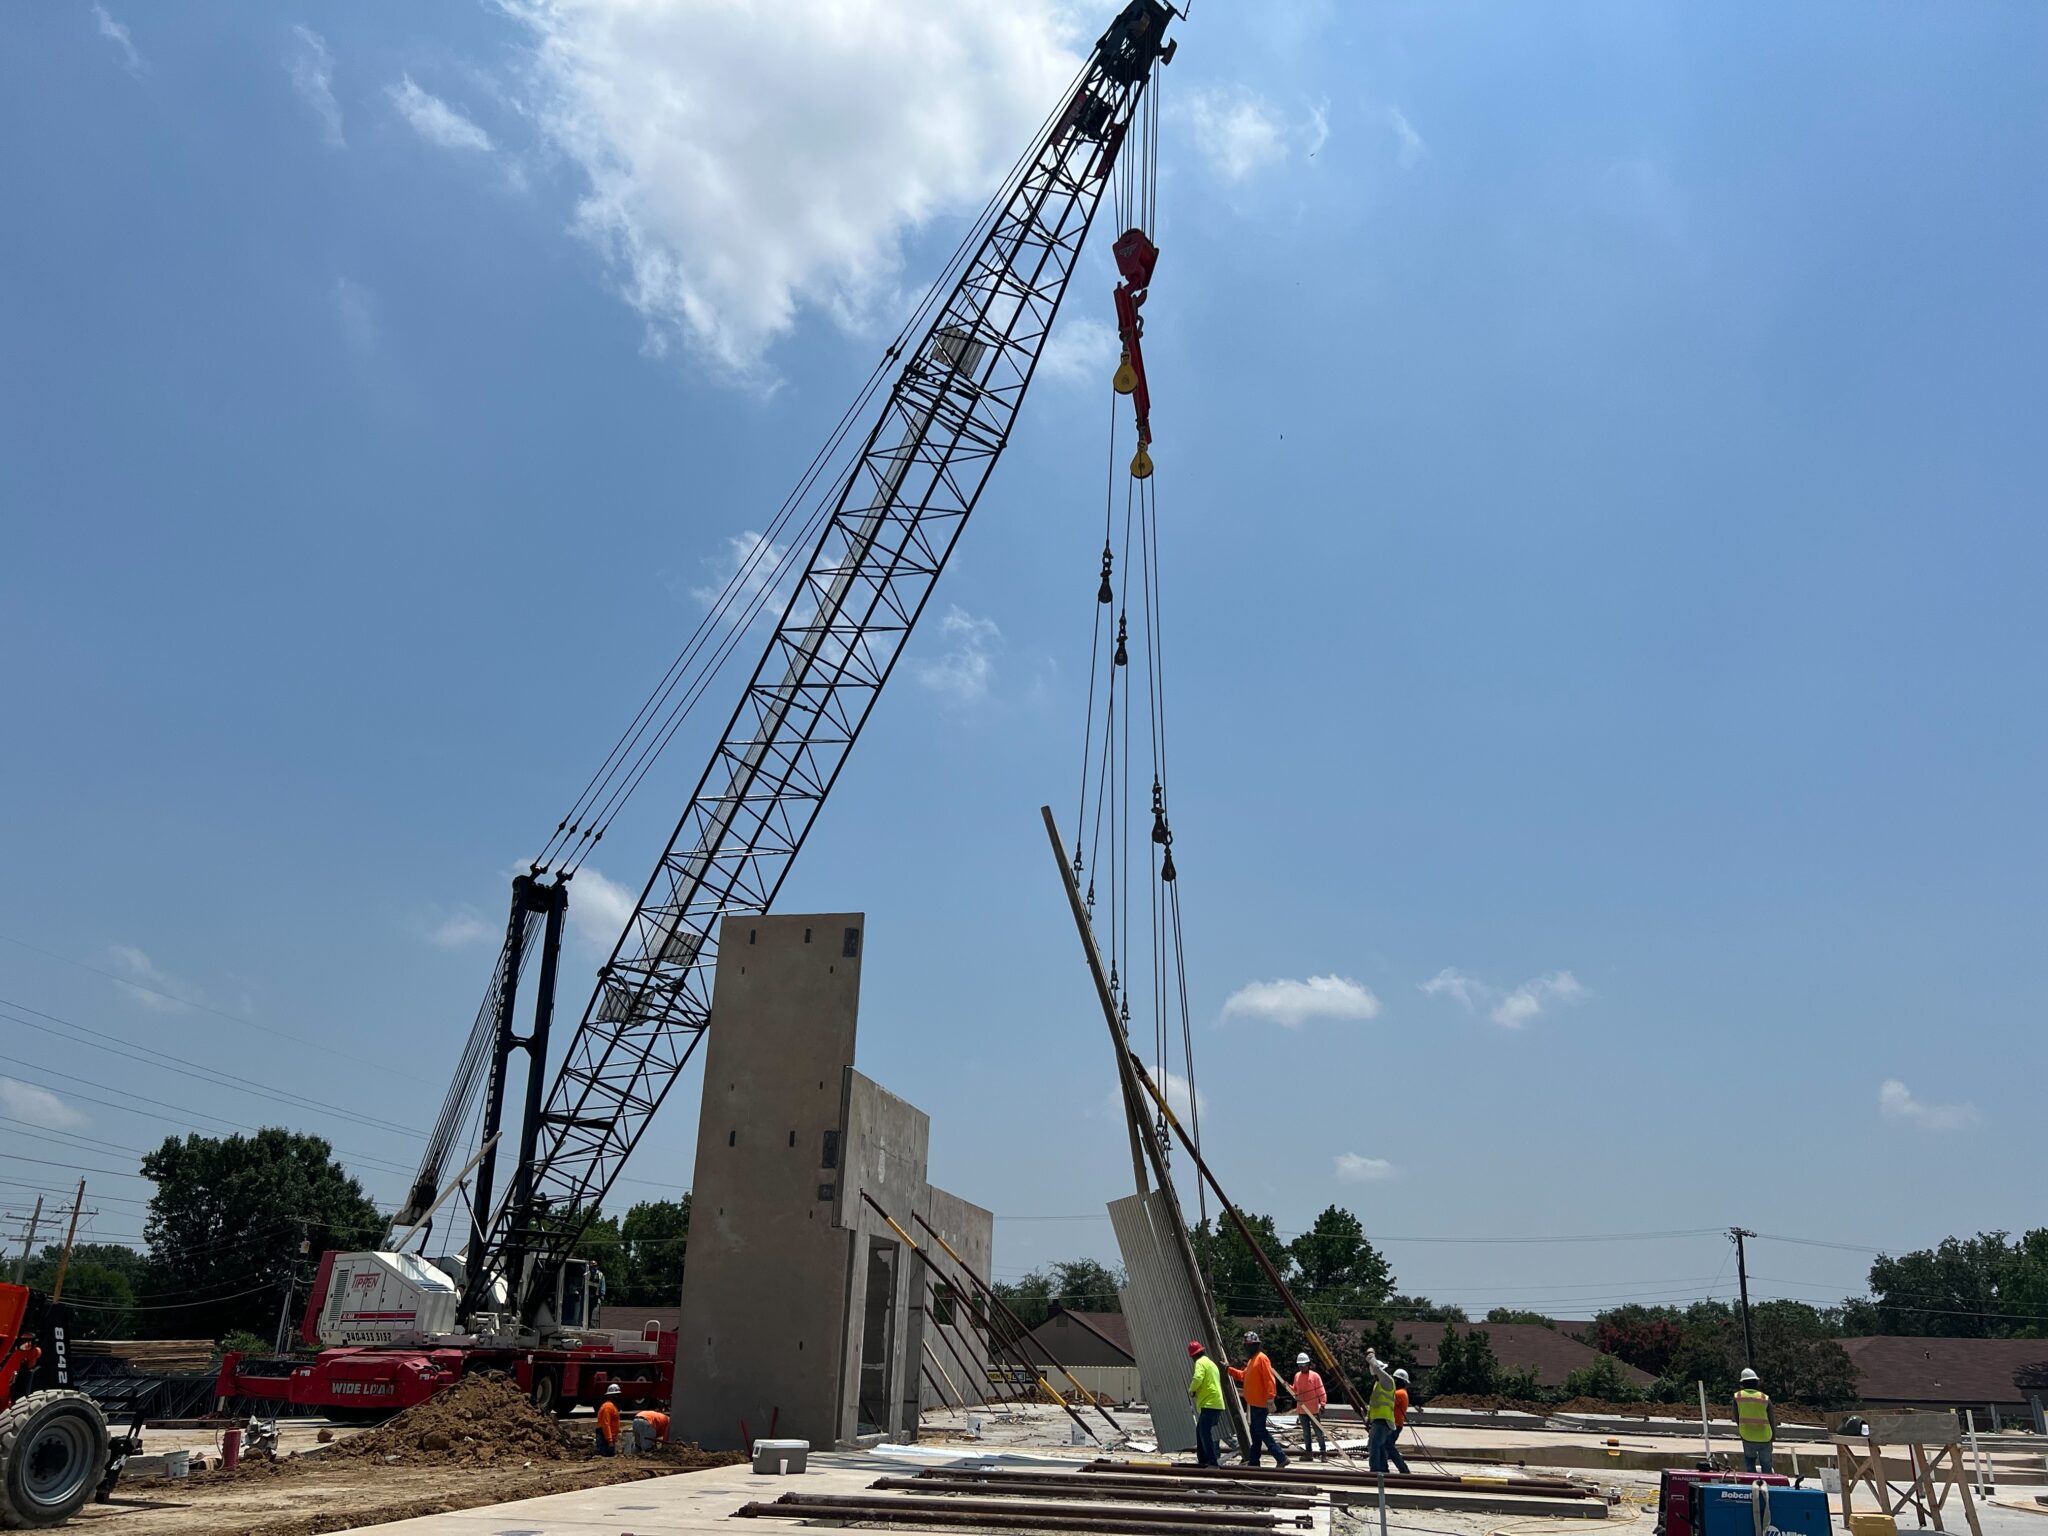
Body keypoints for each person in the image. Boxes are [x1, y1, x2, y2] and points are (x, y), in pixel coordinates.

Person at [1228, 1330, 1291, 1468]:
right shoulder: (1252, 1361)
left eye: (1248, 1346)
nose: (1246, 1348)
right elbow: (1243, 1376)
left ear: (1255, 1346)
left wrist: (1270, 1398)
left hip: (1261, 1404)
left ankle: (1280, 1457)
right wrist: (1229, 1370)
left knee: (1260, 1431)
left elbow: (1269, 1379)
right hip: (1255, 1404)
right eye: (1246, 1346)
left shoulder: (1262, 1358)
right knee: (1255, 1433)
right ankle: (1254, 1462)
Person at [1187, 1340, 1225, 1467]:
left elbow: (1198, 1378)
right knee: (1200, 1430)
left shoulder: (1200, 1362)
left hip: (1209, 1403)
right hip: (1216, 1403)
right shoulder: (1211, 1364)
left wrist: (1191, 1390)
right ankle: (1202, 1460)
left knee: (1204, 1432)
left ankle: (1212, 1462)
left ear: (1193, 1355)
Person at [1364, 1349, 1401, 1476]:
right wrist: (1368, 1417)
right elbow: (1373, 1403)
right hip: (1378, 1420)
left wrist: (1371, 1355)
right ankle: (1382, 1470)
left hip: (1383, 1421)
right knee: (1379, 1447)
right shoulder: (1378, 1384)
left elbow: (1377, 1368)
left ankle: (1375, 1472)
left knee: (1373, 1446)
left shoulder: (1387, 1381)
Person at [1734, 1367, 1775, 1473]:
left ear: (1742, 1383)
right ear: (1756, 1383)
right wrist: (1773, 1435)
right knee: (1766, 1465)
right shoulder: (1764, 1398)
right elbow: (1772, 1419)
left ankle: (1751, 1485)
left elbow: (1736, 1417)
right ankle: (1768, 1486)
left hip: (1747, 1435)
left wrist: (1742, 1430)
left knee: (1750, 1465)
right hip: (1765, 1437)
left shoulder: (1738, 1397)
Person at [1291, 1353, 1329, 1460]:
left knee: (1318, 1432)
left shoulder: (1315, 1376)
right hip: (1302, 1409)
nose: (1301, 1367)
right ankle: (1308, 1453)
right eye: (1300, 1365)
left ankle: (1323, 1453)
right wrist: (1287, 1386)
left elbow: (1321, 1391)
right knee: (1306, 1433)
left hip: (1313, 1410)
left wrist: (1322, 1404)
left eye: (1303, 1365)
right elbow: (1295, 1389)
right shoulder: (1297, 1376)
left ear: (1308, 1364)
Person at [1386, 1367, 1413, 1475]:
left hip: (1395, 1425)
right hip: (1396, 1424)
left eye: (1395, 1380)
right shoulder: (1403, 1392)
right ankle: (1385, 1466)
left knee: (1388, 1446)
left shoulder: (1399, 1393)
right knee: (1387, 1446)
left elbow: (1388, 1404)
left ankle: (1403, 1469)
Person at [595, 1383, 622, 1457]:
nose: (618, 1397)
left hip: (607, 1437)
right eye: (616, 1395)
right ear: (610, 1396)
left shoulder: (612, 1406)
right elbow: (606, 1424)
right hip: (604, 1437)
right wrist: (609, 1440)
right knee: (605, 1456)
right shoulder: (608, 1407)